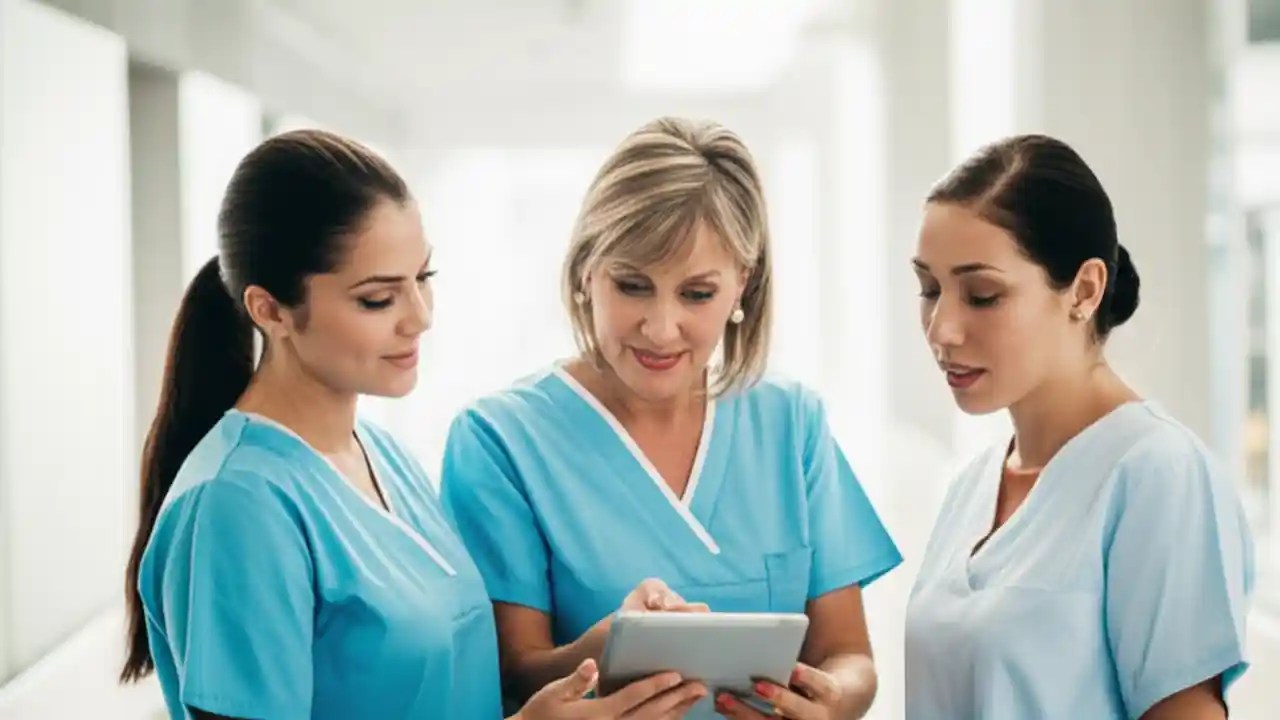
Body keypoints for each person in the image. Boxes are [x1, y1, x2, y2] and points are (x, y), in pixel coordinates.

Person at [119, 129, 708, 719]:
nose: (419, 319)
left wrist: (591, 656)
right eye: (378, 300)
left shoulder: (381, 456)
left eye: (423, 280)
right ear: (270, 310)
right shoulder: (238, 505)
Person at [440, 117, 903, 719]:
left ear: (743, 283)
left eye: (697, 294)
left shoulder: (791, 424)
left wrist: (832, 702)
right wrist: (596, 652)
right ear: (586, 272)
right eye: (632, 285)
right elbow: (507, 677)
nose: (660, 328)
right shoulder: (500, 440)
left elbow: (848, 654)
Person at [905, 134, 1254, 719]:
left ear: (1085, 290)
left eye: (982, 295)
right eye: (929, 289)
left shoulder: (1157, 474)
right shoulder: (972, 486)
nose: (942, 328)